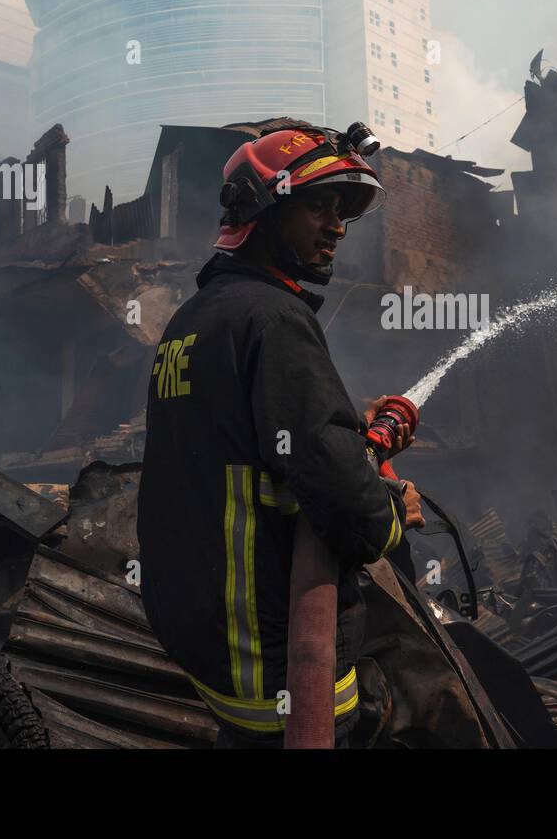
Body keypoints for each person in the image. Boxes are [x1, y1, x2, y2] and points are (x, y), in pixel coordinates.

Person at [137, 122, 424, 747]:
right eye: (319, 206)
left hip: (208, 639)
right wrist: (391, 511)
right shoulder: (274, 319)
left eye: (343, 212)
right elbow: (344, 497)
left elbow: (251, 444)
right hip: (275, 656)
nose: (337, 226)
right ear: (262, 211)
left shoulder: (192, 320)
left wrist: (356, 434)